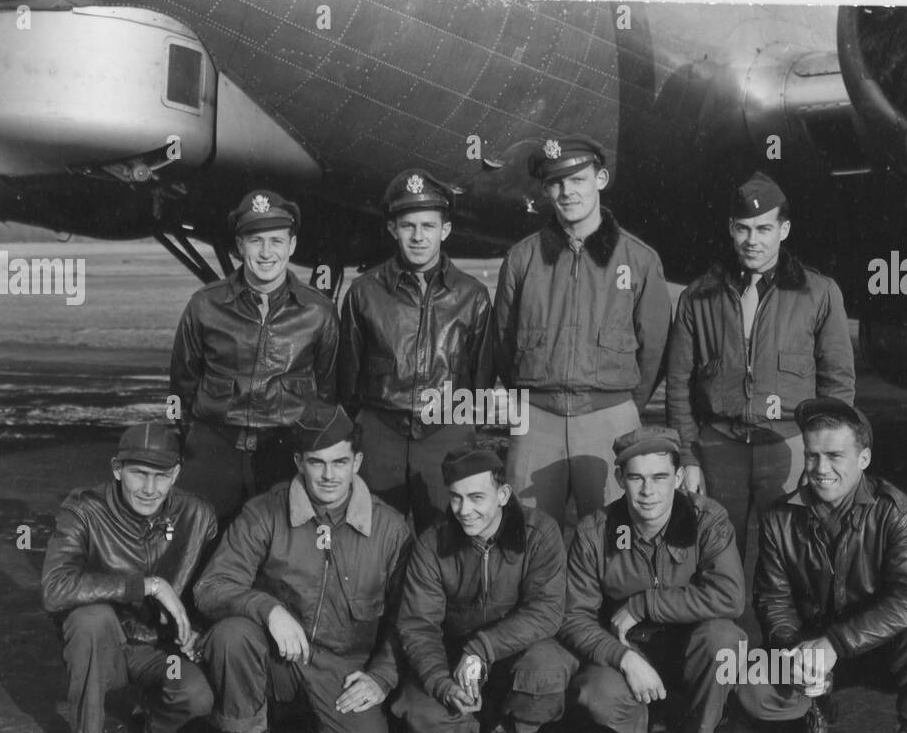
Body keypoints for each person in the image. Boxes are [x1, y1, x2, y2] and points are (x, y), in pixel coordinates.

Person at [736, 398, 907, 733]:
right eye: (812, 455)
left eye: (834, 456)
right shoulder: (779, 517)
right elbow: (772, 601)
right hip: (812, 649)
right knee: (751, 682)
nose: (820, 469)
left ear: (864, 457)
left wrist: (836, 643)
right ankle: (814, 707)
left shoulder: (897, 512)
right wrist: (793, 652)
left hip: (879, 650)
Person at [192, 405, 412, 733]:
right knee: (232, 634)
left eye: (340, 462)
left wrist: (382, 676)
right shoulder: (264, 512)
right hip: (279, 659)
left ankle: (313, 720)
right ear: (299, 462)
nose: (329, 475)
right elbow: (211, 586)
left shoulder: (391, 528)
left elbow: (409, 619)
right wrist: (269, 609)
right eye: (317, 462)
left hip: (342, 669)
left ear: (357, 462)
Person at [666, 171, 855, 559]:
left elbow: (838, 386)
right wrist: (688, 457)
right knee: (715, 560)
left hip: (788, 447)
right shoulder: (697, 297)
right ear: (730, 230)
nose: (753, 241)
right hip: (720, 449)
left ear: (784, 230)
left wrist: (821, 456)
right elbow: (678, 387)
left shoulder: (819, 293)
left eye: (764, 228)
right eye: (743, 229)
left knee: (795, 559)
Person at [493, 134, 671, 527]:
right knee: (527, 536)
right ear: (545, 190)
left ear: (601, 180)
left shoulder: (639, 260)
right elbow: (503, 343)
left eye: (578, 180)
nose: (567, 192)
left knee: (614, 535)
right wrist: (533, 393)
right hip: (537, 417)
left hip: (609, 416)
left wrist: (623, 404)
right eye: (556, 183)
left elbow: (654, 348)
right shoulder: (522, 259)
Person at [561, 427, 748, 733]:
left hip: (690, 647)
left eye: (660, 477)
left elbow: (729, 596)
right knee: (594, 694)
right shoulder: (594, 531)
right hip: (630, 649)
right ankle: (636, 732)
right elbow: (573, 617)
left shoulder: (707, 519)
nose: (648, 491)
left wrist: (645, 603)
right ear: (620, 479)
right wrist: (623, 658)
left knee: (726, 640)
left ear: (678, 477)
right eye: (636, 478)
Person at [41, 423, 217, 733]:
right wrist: (147, 585)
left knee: (197, 695)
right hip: (105, 646)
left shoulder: (197, 515)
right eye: (139, 474)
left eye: (162, 476)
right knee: (89, 618)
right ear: (117, 469)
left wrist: (200, 628)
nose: (150, 489)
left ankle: (156, 722)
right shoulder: (84, 509)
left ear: (177, 475)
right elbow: (55, 589)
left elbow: (215, 585)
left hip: (160, 651)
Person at [392, 446, 575, 733]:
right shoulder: (432, 543)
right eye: (456, 498)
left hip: (514, 651)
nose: (464, 510)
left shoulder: (540, 532)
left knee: (548, 668)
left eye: (477, 497)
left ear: (503, 494)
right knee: (424, 727)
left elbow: (547, 610)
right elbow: (419, 625)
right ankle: (471, 725)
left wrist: (482, 648)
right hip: (453, 657)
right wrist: (443, 684)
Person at [169, 189, 338, 524]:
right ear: (239, 246)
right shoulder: (204, 305)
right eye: (255, 240)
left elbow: (329, 392)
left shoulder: (318, 312)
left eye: (276, 241)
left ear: (291, 246)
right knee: (195, 550)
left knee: (280, 560)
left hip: (282, 451)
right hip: (215, 450)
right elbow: (182, 385)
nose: (266, 252)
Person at [338, 169, 493, 530]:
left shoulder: (472, 296)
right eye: (408, 226)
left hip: (446, 430)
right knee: (371, 532)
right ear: (393, 229)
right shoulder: (364, 292)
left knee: (445, 534)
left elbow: (482, 377)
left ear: (446, 230)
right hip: (380, 430)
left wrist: (462, 428)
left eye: (428, 225)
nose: (419, 236)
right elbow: (346, 376)